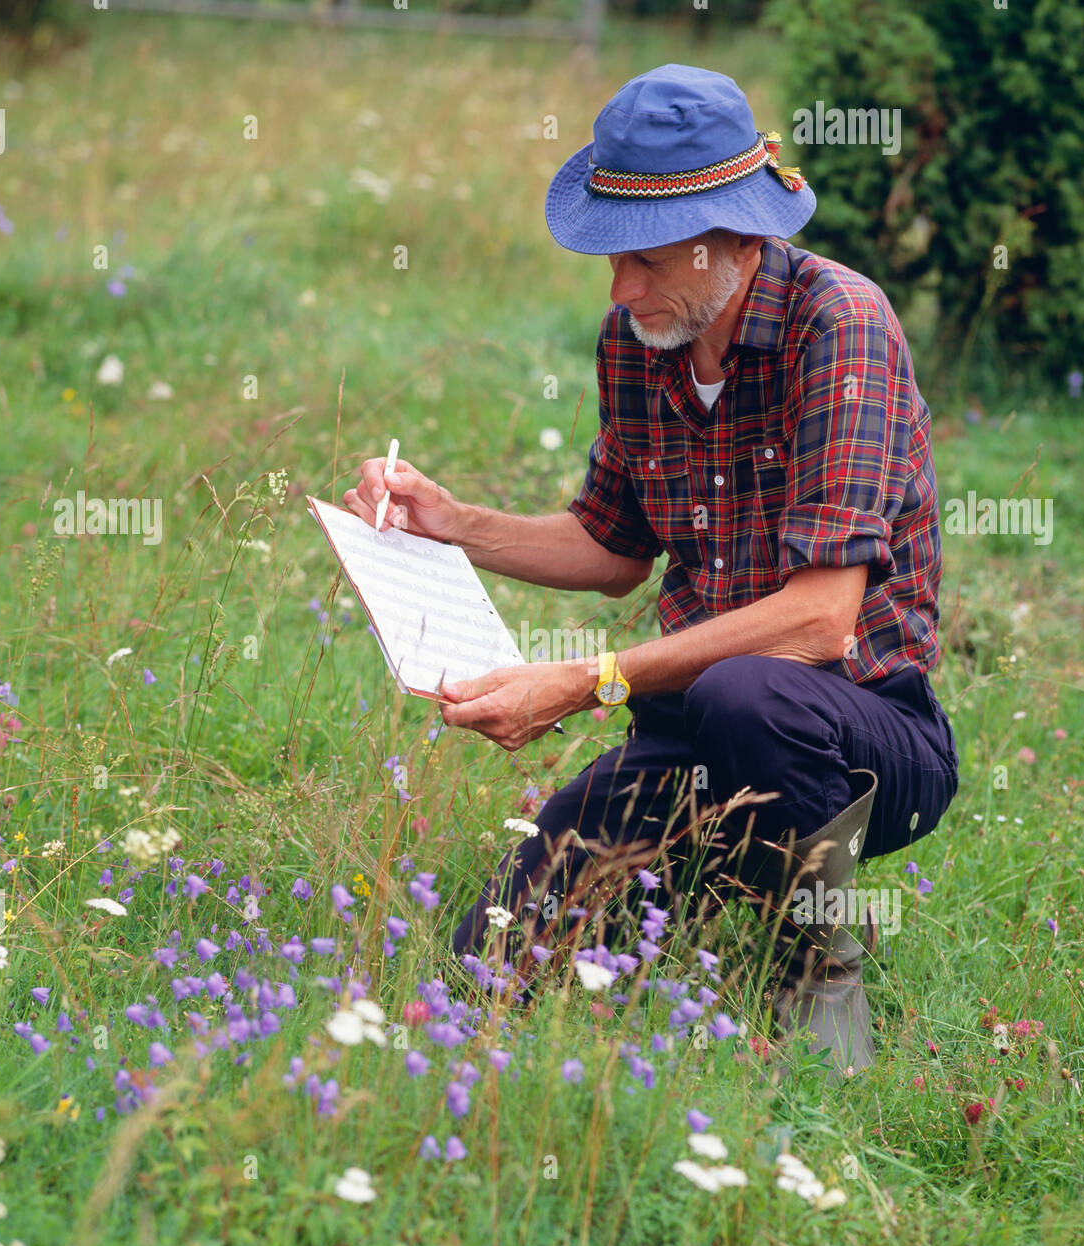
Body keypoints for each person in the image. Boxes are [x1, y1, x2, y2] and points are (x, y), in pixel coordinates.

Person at [342, 64, 959, 1070]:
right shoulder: (637, 341)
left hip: (864, 736)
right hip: (687, 739)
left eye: (643, 259)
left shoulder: (840, 328)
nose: (620, 288)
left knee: (749, 696)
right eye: (609, 259)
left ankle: (818, 952)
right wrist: (447, 522)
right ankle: (711, 885)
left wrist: (587, 682)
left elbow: (819, 621)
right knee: (494, 961)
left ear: (731, 239)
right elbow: (611, 548)